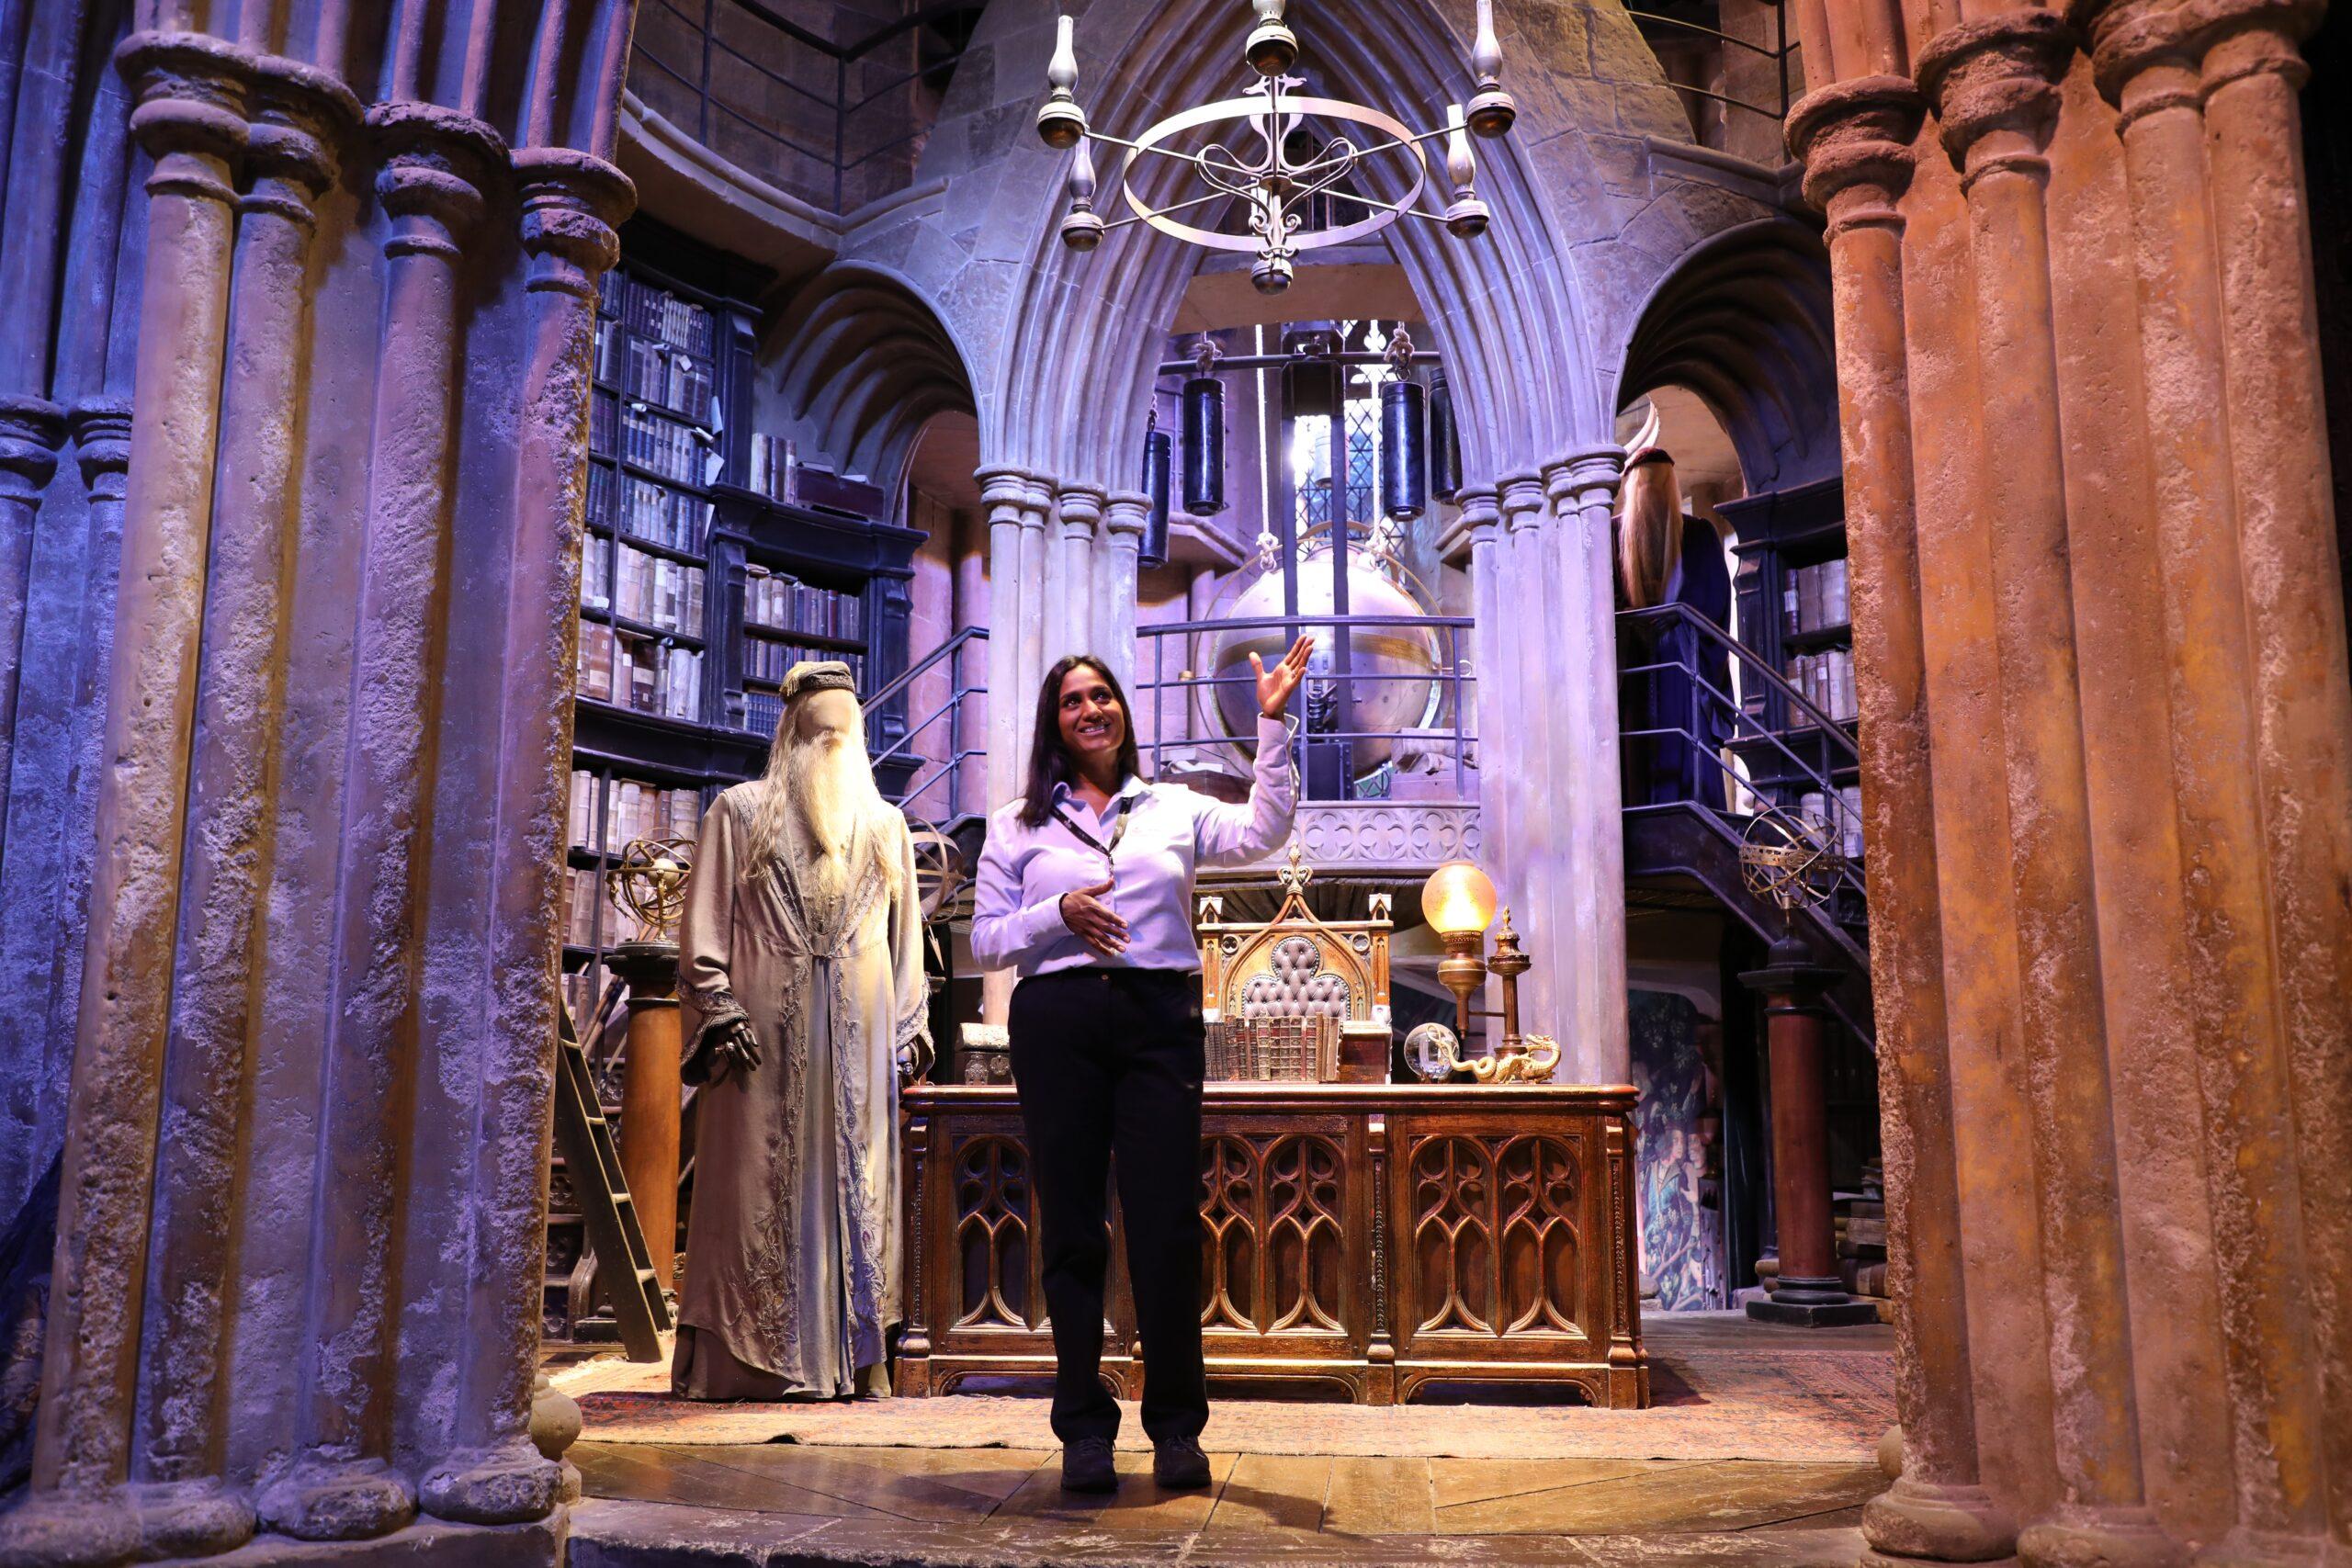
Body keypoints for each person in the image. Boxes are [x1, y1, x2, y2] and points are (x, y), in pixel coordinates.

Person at [969, 639, 1312, 1493]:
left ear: (1123, 712)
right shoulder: (1018, 823)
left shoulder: (1172, 807)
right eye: (1074, 700)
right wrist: (1058, 910)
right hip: (1059, 1019)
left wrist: (1271, 723)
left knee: (1165, 1225)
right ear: (1057, 722)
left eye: (1103, 696)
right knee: (1076, 1227)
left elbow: (1264, 830)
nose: (1092, 709)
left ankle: (1176, 1428)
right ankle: (1084, 1428)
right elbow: (983, 938)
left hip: (1159, 1018)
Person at [672, 660, 932, 1400]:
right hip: (763, 1037)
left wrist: (908, 1028)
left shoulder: (886, 828)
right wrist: (718, 1009)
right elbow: (705, 927)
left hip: (860, 1038)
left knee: (861, 1187)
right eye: (819, 730)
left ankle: (854, 1354)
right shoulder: (739, 811)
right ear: (790, 729)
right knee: (754, 1185)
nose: (831, 744)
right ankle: (748, 1362)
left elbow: (907, 944)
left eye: (842, 731)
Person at [1618, 445, 1734, 807]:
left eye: (1660, 483)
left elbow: (1714, 598)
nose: (1652, 492)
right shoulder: (1610, 536)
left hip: (1682, 662)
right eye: (1645, 484)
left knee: (1687, 747)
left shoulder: (1698, 534)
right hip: (1631, 664)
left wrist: (1674, 618)